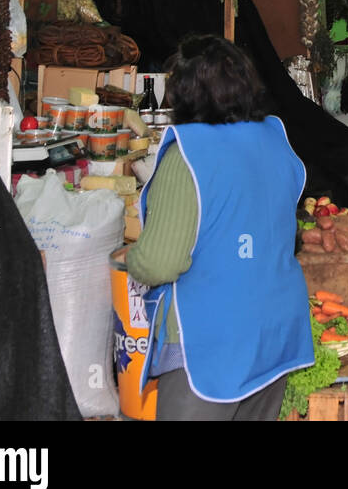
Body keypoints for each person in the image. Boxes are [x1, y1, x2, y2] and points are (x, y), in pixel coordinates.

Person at [117, 34, 313, 420]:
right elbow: (285, 236)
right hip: (274, 336)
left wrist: (131, 259)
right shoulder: (274, 139)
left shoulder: (188, 155)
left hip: (211, 344)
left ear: (183, 93)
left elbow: (159, 263)